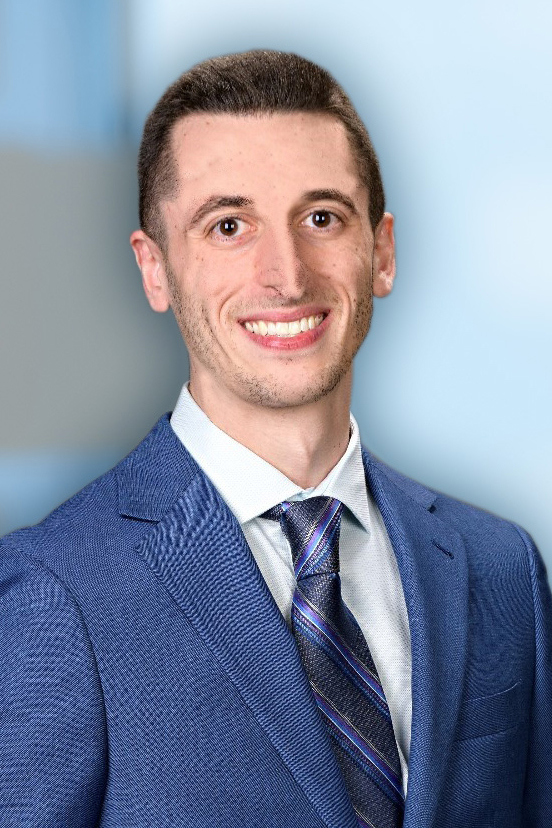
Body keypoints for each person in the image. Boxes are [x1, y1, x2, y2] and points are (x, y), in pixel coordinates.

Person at [0, 49, 550, 828]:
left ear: (381, 252)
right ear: (155, 269)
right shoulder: (58, 591)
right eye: (229, 226)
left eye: (322, 218)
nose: (286, 276)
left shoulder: (501, 567)